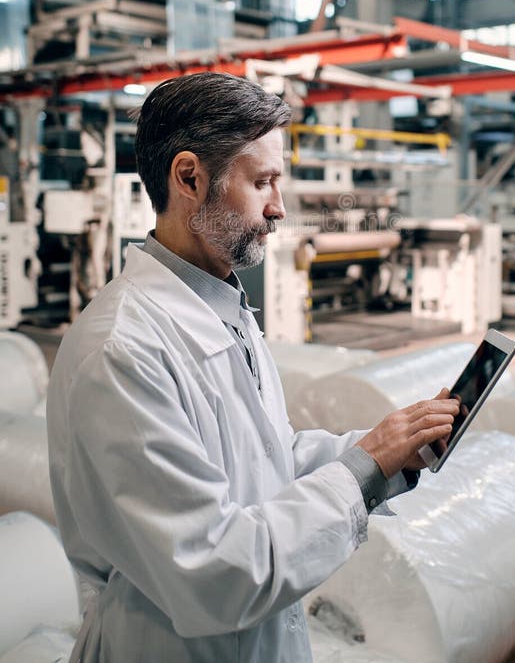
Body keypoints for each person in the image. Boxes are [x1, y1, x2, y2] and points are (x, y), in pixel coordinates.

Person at [47, 72, 459, 663]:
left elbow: (263, 463)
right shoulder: (123, 351)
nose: (279, 207)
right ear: (189, 177)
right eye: (262, 181)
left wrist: (384, 454)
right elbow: (214, 570)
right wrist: (363, 469)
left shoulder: (223, 305)